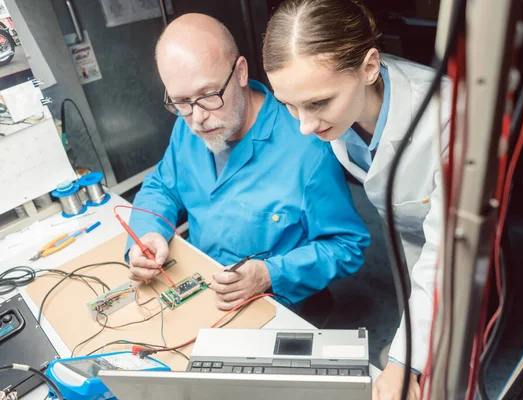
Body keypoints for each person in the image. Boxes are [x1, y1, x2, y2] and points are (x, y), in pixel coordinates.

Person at [263, 1, 450, 399]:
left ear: (369, 67)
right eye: (289, 105)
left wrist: (403, 363)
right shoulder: (334, 110)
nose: (304, 126)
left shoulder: (448, 119)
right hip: (408, 231)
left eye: (317, 103)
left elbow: (446, 258)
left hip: (453, 244)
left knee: (457, 344)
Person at [126, 13, 370, 312]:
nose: (198, 118)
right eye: (181, 102)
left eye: (209, 95)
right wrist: (149, 232)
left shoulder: (307, 148)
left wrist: (271, 274)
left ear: (240, 72)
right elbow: (162, 187)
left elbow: (346, 246)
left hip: (277, 307)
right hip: (202, 291)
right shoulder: (187, 125)